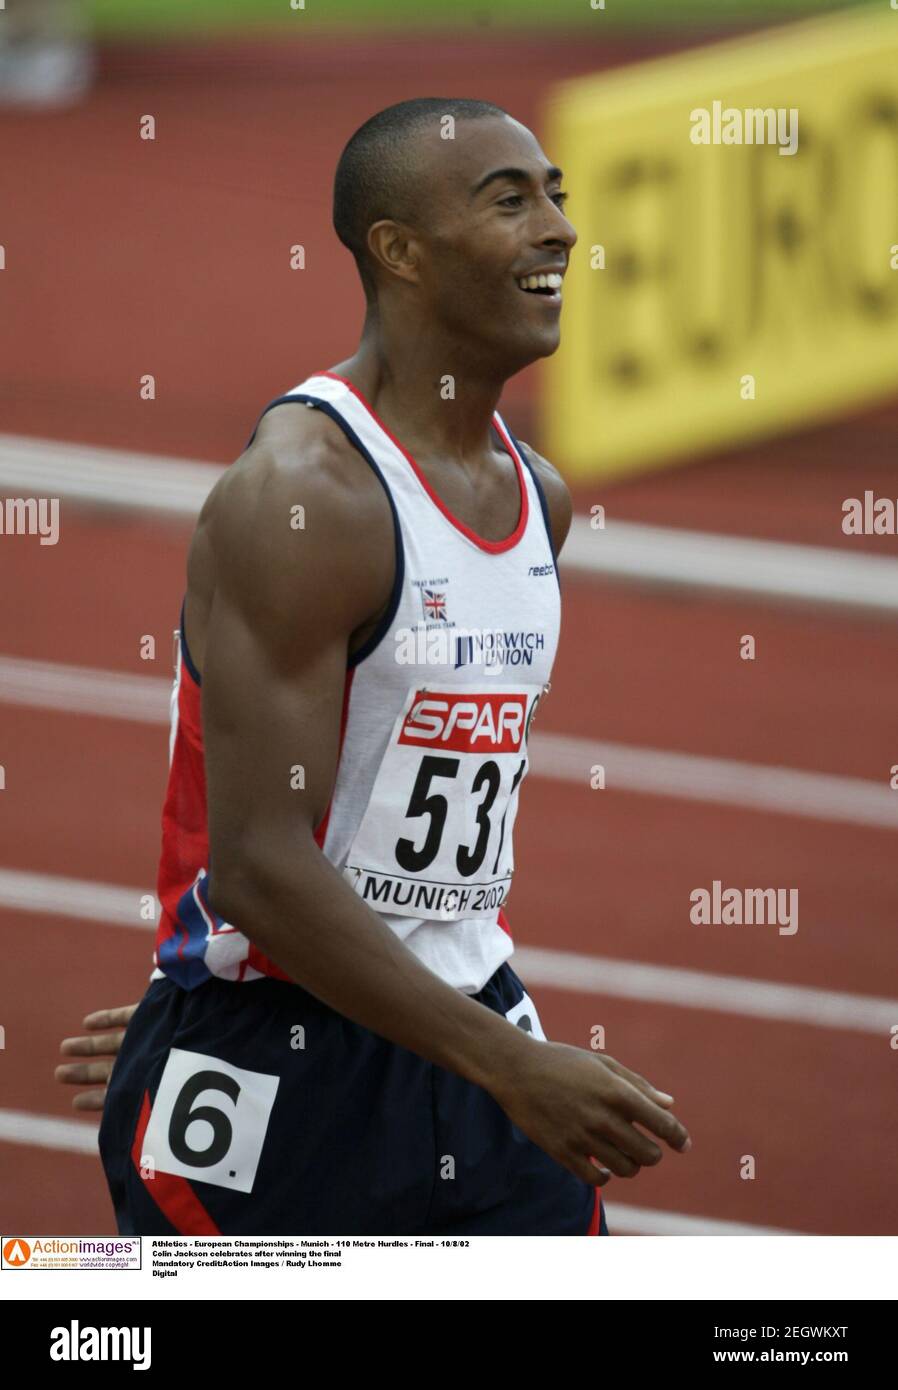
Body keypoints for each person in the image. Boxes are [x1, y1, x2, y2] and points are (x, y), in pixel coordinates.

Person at [57, 97, 690, 1236]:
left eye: (557, 194)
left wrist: (496, 1057)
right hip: (289, 1069)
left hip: (464, 1021)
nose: (558, 229)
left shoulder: (534, 496)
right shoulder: (306, 496)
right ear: (398, 250)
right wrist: (215, 997)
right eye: (510, 201)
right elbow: (257, 868)